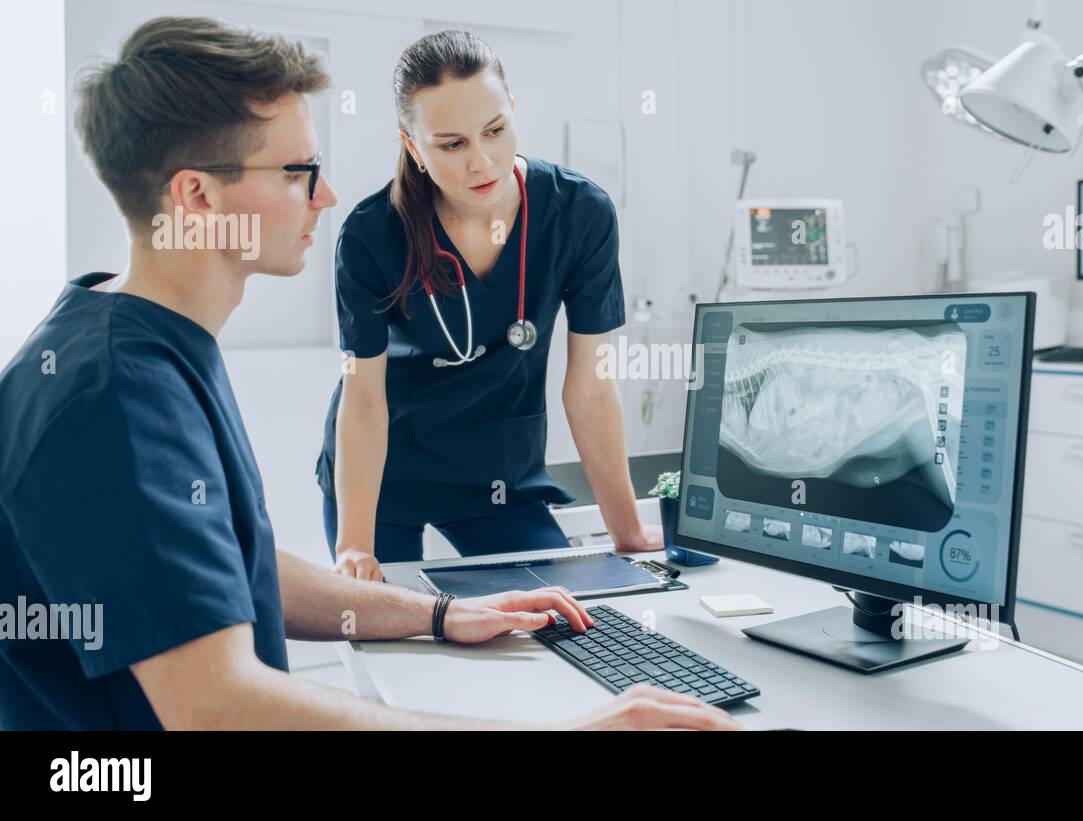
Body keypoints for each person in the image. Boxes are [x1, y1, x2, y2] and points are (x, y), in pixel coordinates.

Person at [0, 16, 738, 732]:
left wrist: (443, 612)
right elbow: (216, 708)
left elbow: (233, 570)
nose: (323, 195)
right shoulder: (115, 403)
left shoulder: (141, 345)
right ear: (197, 197)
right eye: (297, 172)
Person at [319, 30, 662, 581]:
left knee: (559, 612)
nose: (482, 161)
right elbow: (363, 399)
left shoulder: (579, 214)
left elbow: (591, 386)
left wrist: (627, 531)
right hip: (385, 473)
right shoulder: (371, 235)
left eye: (495, 131)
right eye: (451, 144)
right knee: (390, 632)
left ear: (513, 113)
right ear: (414, 147)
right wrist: (355, 545)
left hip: (498, 477)